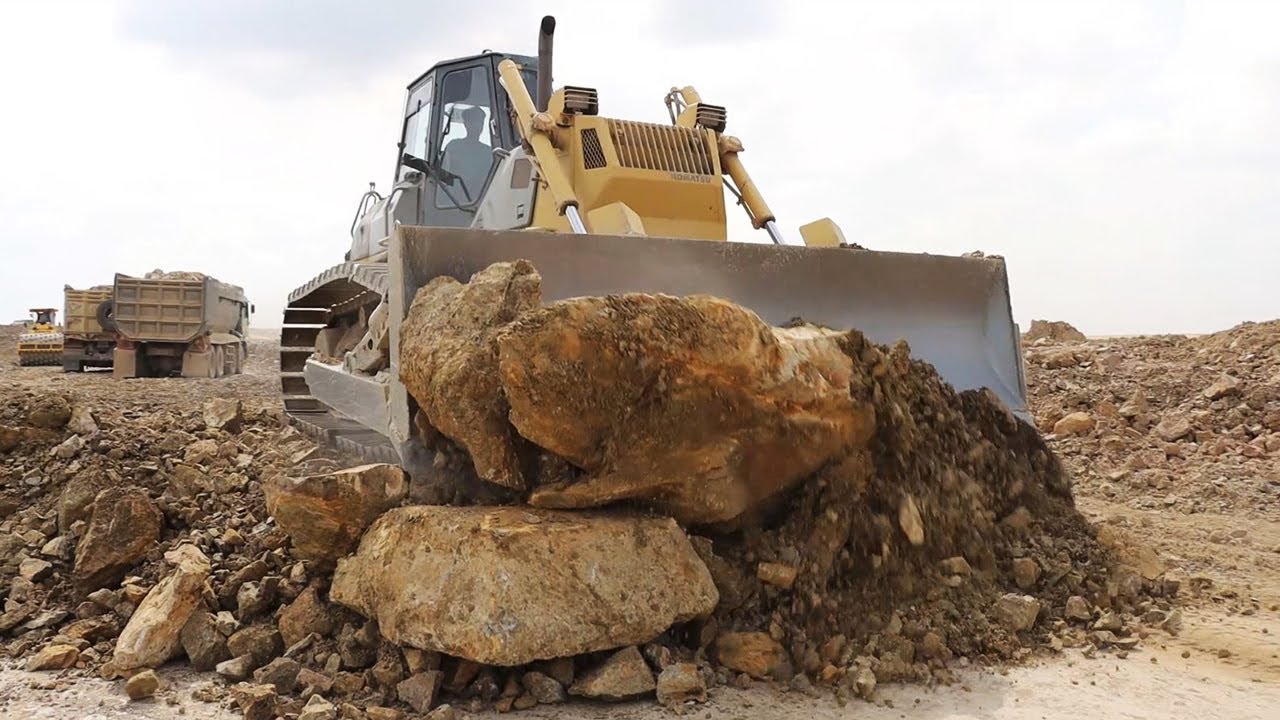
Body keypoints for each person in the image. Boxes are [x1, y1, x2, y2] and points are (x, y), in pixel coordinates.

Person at [440, 105, 493, 204]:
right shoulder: (453, 147)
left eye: (480, 122)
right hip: (455, 202)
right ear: (466, 124)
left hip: (482, 200)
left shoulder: (488, 152)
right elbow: (444, 177)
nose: (478, 126)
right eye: (474, 122)